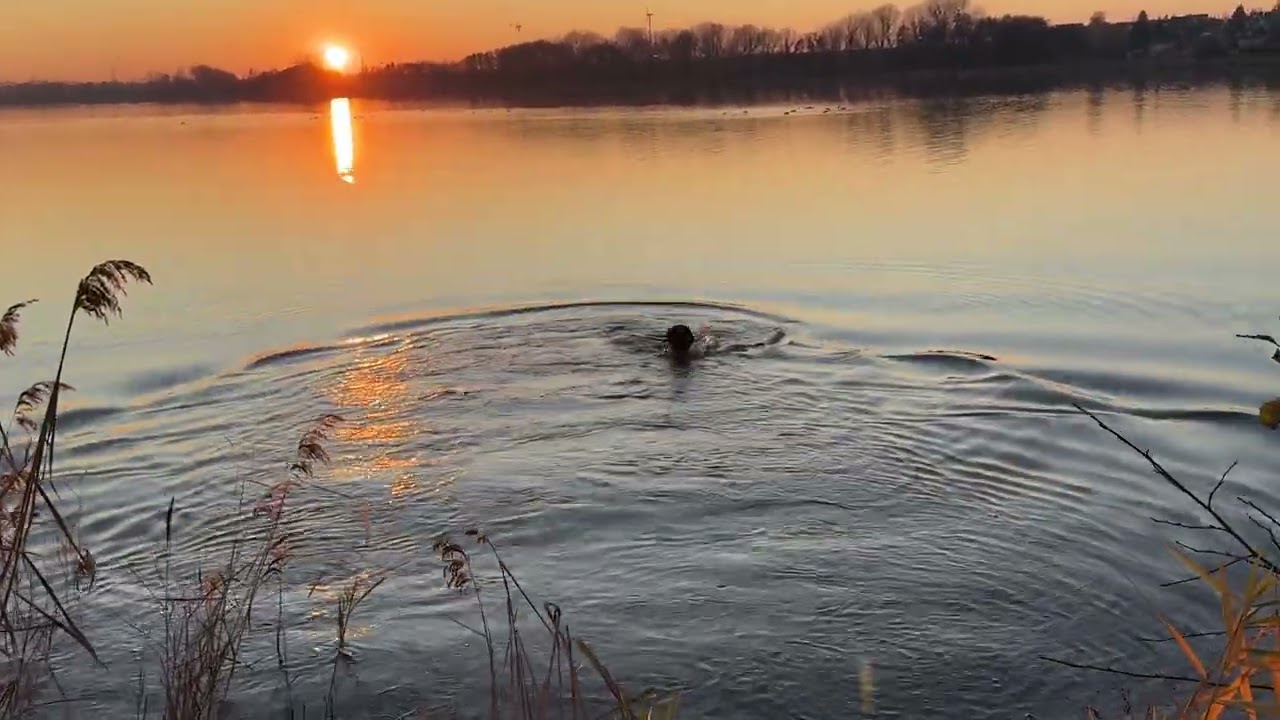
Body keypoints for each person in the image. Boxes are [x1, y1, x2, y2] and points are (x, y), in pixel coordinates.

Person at [664, 323, 784, 364]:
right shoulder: (698, 353)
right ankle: (778, 335)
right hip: (710, 354)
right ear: (691, 340)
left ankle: (705, 332)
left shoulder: (666, 354)